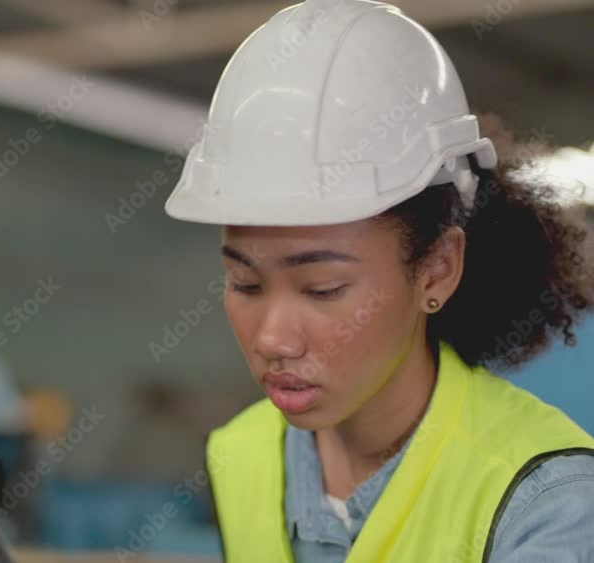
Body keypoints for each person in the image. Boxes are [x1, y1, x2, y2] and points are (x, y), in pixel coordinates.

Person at [163, 0, 594, 561]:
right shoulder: (240, 454)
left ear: (437, 268)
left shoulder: (547, 499)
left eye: (322, 288)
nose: (272, 339)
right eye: (244, 284)